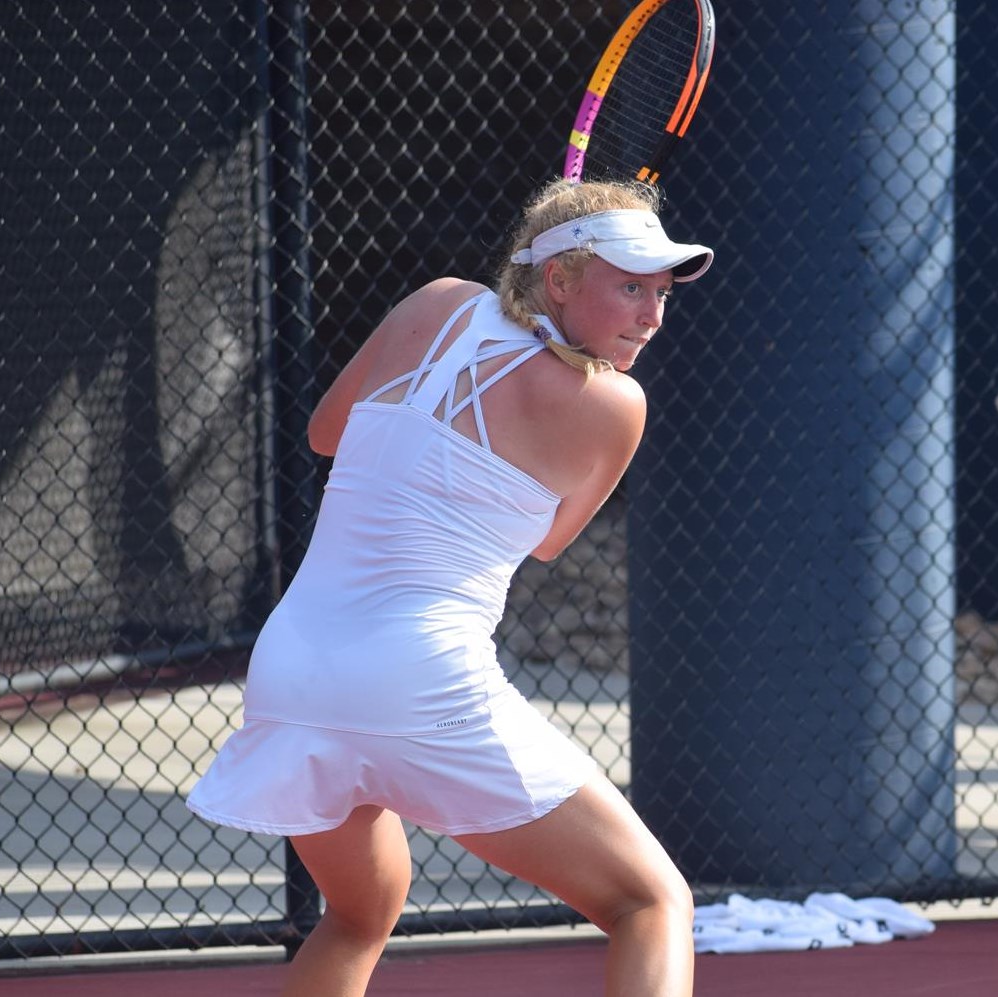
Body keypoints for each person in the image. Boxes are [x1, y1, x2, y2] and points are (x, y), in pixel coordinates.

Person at [187, 177, 712, 997]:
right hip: (421, 680)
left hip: (291, 671)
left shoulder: (433, 302)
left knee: (360, 913)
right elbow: (546, 540)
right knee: (652, 900)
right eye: (630, 286)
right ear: (561, 279)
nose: (651, 314)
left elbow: (329, 430)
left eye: (660, 291)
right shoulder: (616, 406)